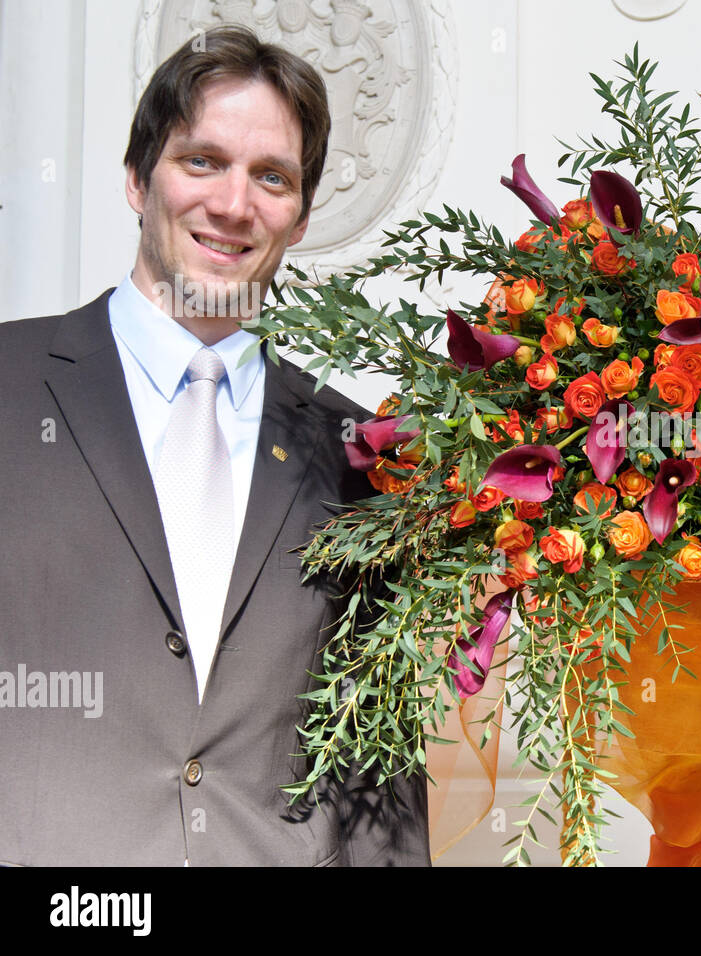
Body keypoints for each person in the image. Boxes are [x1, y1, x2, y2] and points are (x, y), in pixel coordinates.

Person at [0, 26, 429, 865]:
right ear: (136, 178)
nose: (235, 204)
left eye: (271, 177)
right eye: (202, 161)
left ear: (300, 218)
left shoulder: (360, 453)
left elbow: (380, 779)